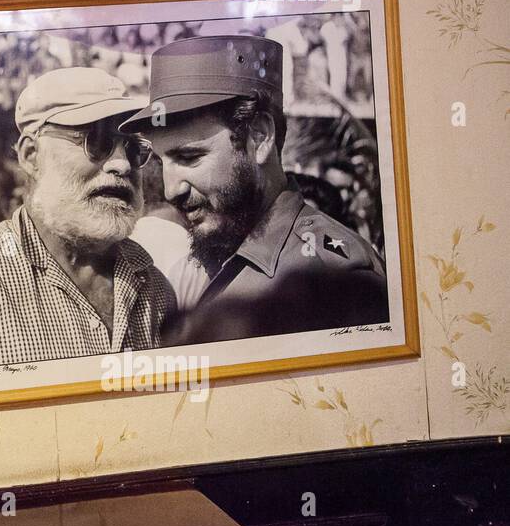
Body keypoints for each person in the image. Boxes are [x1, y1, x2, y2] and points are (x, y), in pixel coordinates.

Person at [120, 35, 388, 344]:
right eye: (161, 160)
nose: (170, 190)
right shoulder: (192, 269)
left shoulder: (335, 282)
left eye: (189, 156)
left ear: (259, 137)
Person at [0, 68, 175, 369]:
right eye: (98, 142)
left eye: (132, 149)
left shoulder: (156, 289)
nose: (121, 165)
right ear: (31, 155)